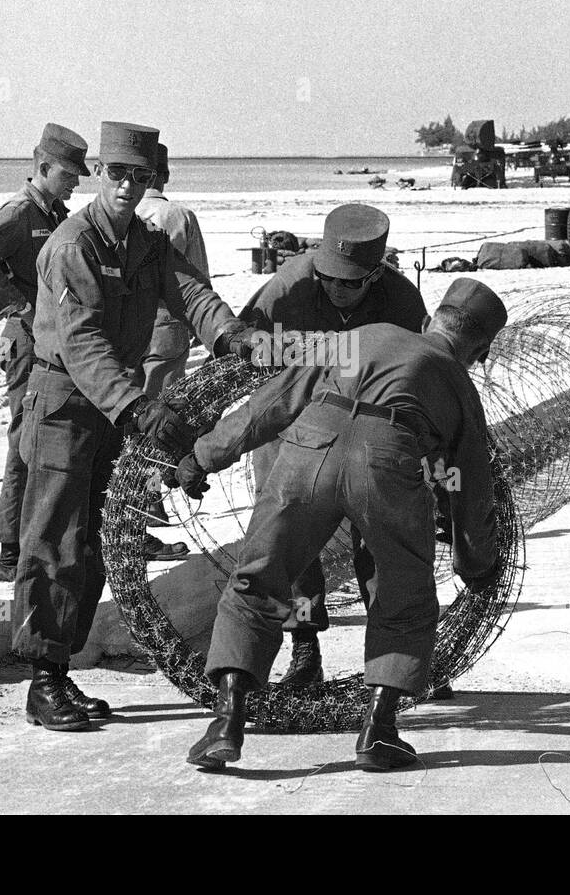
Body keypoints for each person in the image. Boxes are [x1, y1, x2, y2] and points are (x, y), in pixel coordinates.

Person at [178, 277, 507, 771]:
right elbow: (467, 485)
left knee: (257, 581)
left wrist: (203, 455)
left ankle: (226, 721)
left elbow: (275, 402)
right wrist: (475, 561)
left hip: (307, 452)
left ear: (426, 323)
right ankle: (378, 732)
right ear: (478, 352)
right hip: (389, 467)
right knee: (403, 595)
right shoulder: (458, 385)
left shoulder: (365, 337)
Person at [13, 121, 266, 732]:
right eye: (119, 174)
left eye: (142, 177)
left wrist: (230, 334)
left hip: (108, 405)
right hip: (65, 404)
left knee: (98, 536)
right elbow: (81, 343)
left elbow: (191, 294)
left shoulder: (146, 244)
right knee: (54, 540)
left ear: (154, 180)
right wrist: (136, 408)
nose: (129, 186)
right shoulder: (74, 245)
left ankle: (61, 670)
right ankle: (41, 680)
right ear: (100, 174)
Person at [240, 203, 428, 688]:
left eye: (352, 282)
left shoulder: (403, 302)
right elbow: (246, 357)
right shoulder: (286, 288)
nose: (338, 289)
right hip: (294, 427)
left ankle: (397, 653)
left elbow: (427, 376)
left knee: (383, 543)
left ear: (377, 274)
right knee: (289, 547)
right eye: (330, 279)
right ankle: (305, 647)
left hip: (371, 433)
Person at [0, 123, 81, 582]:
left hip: (48, 338)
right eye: (68, 173)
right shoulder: (19, 212)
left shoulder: (52, 215)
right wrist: (18, 307)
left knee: (45, 436)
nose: (75, 181)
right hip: (28, 343)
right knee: (24, 441)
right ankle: (10, 551)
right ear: (43, 167)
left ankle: (33, 538)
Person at [130, 142, 208, 559]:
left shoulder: (120, 214)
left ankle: (141, 501)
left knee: (134, 412)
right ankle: (147, 502)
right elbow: (197, 279)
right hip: (167, 326)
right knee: (162, 413)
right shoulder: (179, 216)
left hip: (127, 331)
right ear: (166, 174)